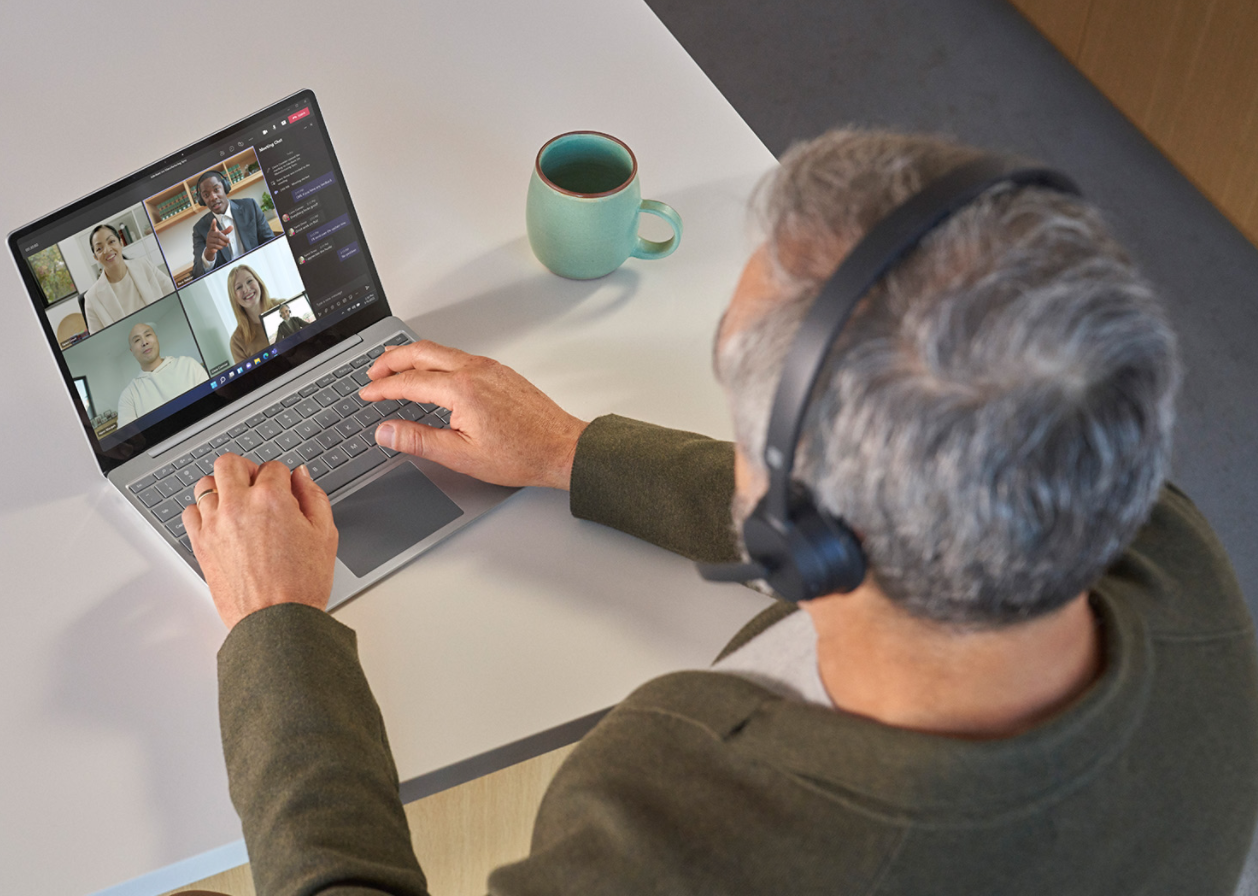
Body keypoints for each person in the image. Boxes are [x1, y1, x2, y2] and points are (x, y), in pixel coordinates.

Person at [181, 130, 1258, 894]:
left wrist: (280, 632)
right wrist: (571, 451)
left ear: (806, 529)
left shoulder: (682, 832)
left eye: (745, 424)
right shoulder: (1175, 562)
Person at [81, 223, 175, 332]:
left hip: (166, 327)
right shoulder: (91, 298)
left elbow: (173, 294)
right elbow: (100, 340)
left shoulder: (144, 265)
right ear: (95, 257)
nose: (107, 250)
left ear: (121, 243)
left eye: (111, 241)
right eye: (99, 248)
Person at [115, 322, 207, 426]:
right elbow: (131, 438)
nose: (144, 342)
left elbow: (211, 405)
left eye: (148, 335)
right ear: (132, 350)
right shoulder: (129, 395)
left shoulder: (188, 365)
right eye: (137, 340)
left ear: (156, 338)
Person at [191, 168, 276, 276]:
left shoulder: (250, 206)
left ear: (225, 187)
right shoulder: (199, 229)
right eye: (206, 195)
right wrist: (209, 252)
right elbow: (197, 275)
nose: (213, 197)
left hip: (261, 268)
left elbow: (270, 242)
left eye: (216, 189)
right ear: (202, 200)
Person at [227, 264, 277, 365]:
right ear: (234, 297)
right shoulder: (237, 341)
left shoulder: (283, 307)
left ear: (258, 282)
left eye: (249, 281)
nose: (246, 289)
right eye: (239, 287)